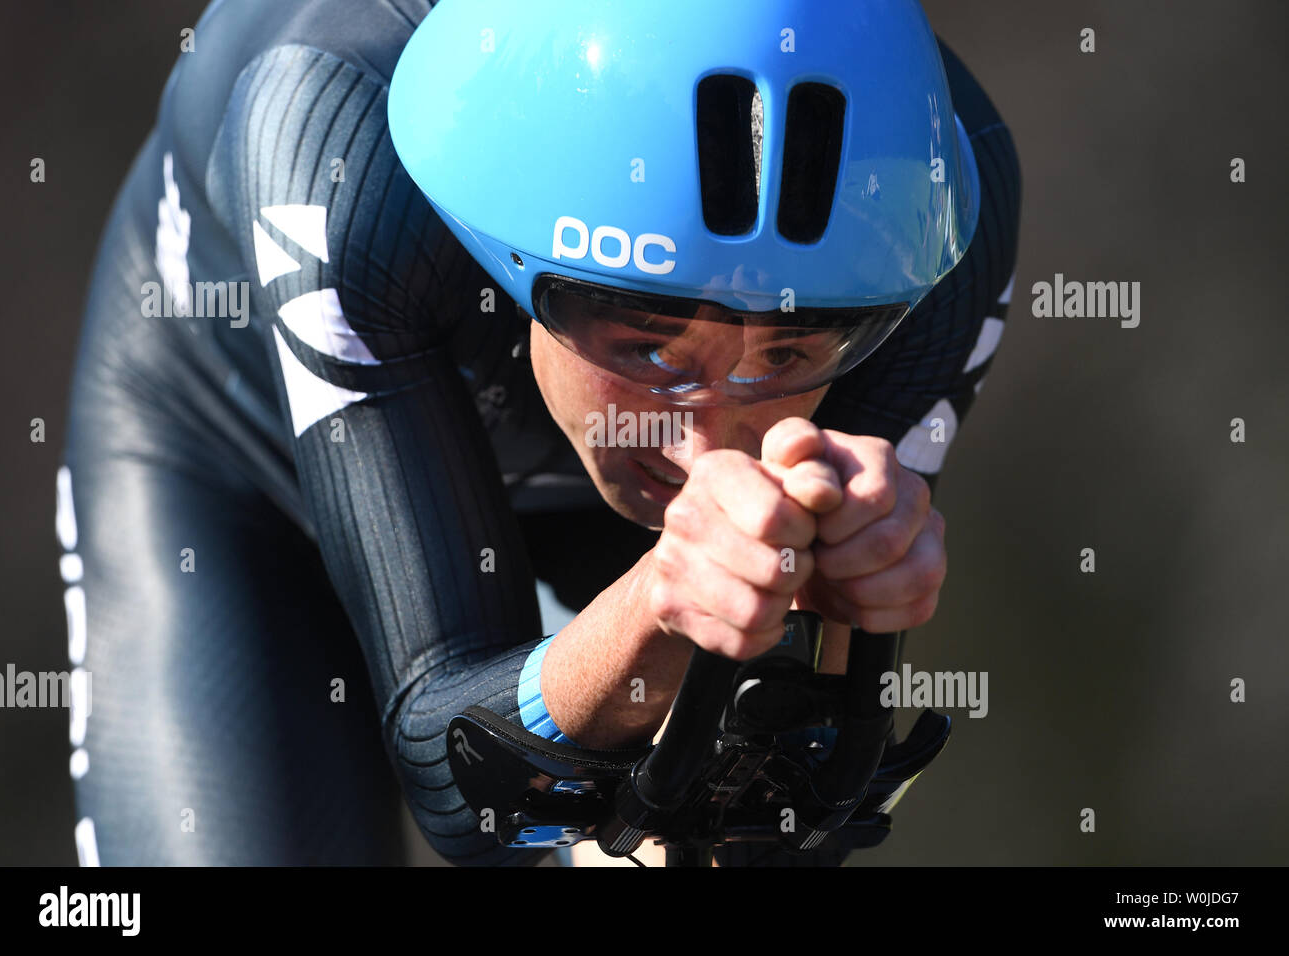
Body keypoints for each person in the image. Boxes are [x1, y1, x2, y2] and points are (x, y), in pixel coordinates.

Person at [55, 0, 1020, 867]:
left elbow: (789, 810)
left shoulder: (942, 207)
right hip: (235, 479)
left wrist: (849, 608)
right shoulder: (335, 123)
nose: (707, 446)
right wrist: (661, 599)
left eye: (793, 349)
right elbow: (457, 783)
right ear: (503, 255)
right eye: (646, 341)